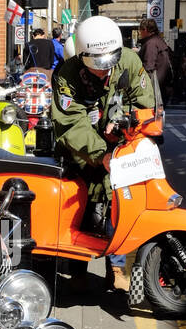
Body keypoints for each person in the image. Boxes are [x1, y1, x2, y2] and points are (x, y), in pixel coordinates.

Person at [51, 16, 156, 290]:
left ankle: (117, 269)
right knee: (79, 205)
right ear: (83, 54)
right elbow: (70, 123)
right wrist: (100, 154)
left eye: (108, 64)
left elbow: (145, 105)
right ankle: (77, 270)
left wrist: (124, 122)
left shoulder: (130, 62)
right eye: (97, 65)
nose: (104, 72)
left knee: (120, 204)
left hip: (119, 148)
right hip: (79, 153)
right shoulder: (66, 76)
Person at [137, 18, 174, 105]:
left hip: (155, 88)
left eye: (140, 30)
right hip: (163, 86)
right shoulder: (159, 41)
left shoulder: (151, 44)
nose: (140, 33)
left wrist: (144, 88)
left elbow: (149, 67)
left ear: (145, 30)